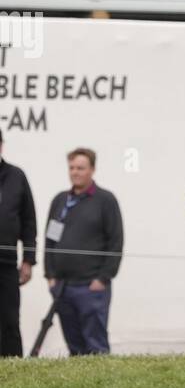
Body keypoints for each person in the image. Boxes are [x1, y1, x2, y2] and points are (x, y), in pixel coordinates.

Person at [44, 148, 124, 355]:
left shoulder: (105, 200)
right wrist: (50, 276)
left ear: (92, 170)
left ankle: (100, 386)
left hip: (91, 287)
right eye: (71, 168)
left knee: (96, 346)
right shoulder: (60, 201)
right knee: (75, 347)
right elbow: (50, 239)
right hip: (63, 287)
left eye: (80, 168)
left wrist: (103, 278)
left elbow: (115, 241)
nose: (75, 172)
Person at [0, 129, 37, 356]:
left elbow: (29, 221)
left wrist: (29, 260)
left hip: (6, 265)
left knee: (9, 320)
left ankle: (13, 368)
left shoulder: (16, 176)